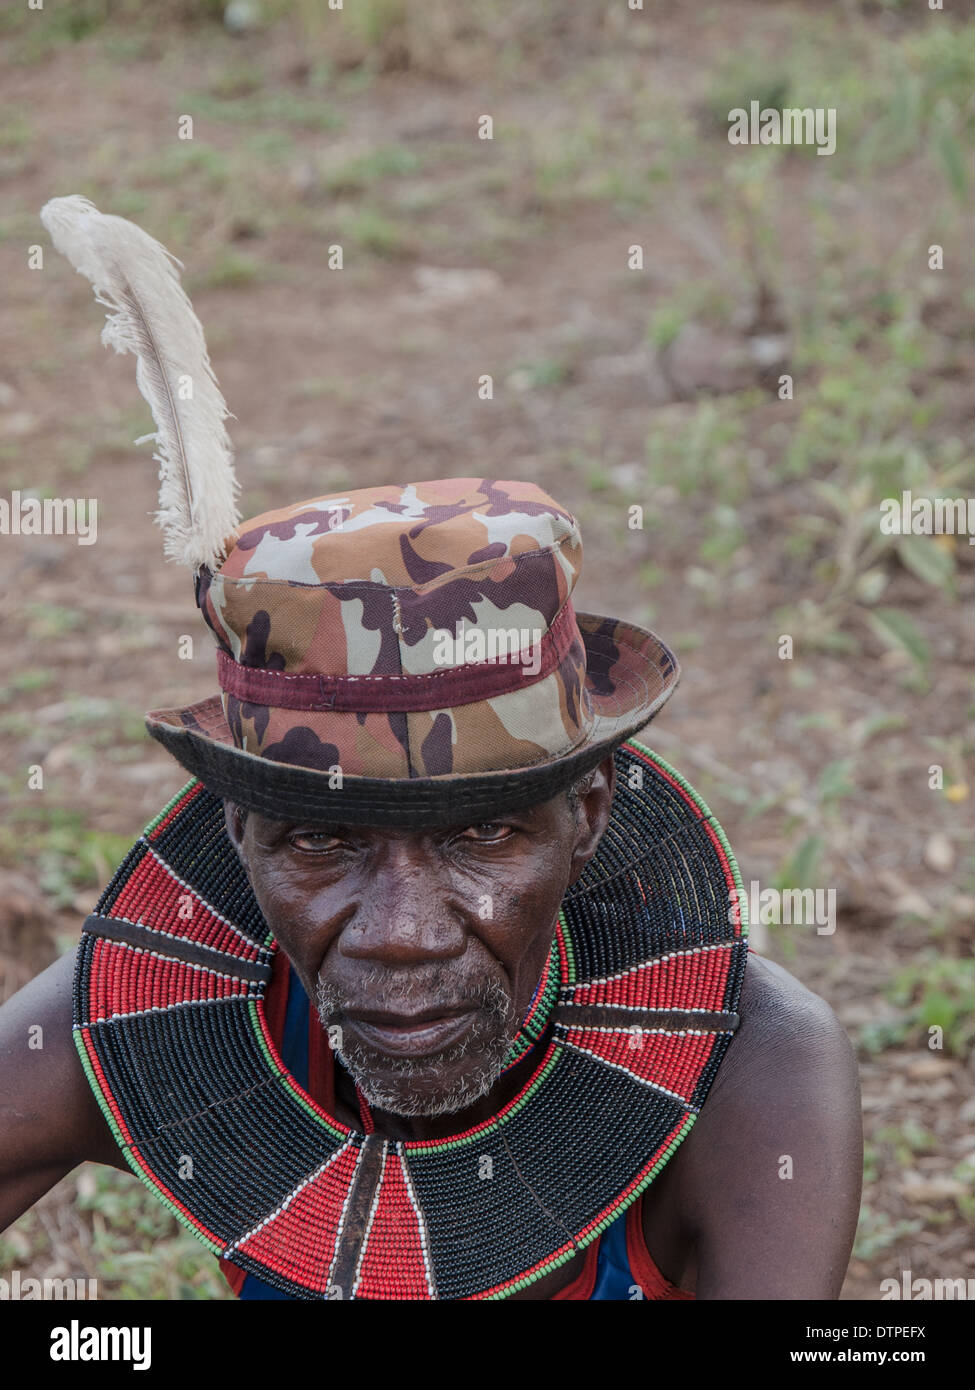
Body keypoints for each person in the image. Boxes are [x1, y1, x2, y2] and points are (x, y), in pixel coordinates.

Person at [1, 476, 862, 1300]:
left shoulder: (749, 1074)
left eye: (482, 834)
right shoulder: (153, 1018)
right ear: (238, 833)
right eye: (320, 839)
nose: (402, 933)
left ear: (586, 816)